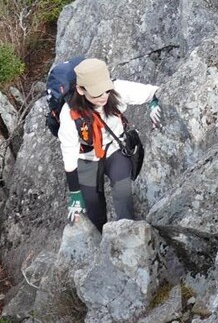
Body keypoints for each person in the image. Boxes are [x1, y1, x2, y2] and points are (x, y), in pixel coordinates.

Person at [60, 57, 163, 230]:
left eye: (106, 91)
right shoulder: (69, 113)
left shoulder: (118, 89)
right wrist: (75, 194)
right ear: (81, 90)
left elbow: (154, 91)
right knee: (94, 209)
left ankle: (128, 233)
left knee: (123, 196)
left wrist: (154, 103)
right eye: (97, 93)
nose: (104, 97)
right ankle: (102, 240)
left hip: (116, 150)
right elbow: (69, 154)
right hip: (86, 157)